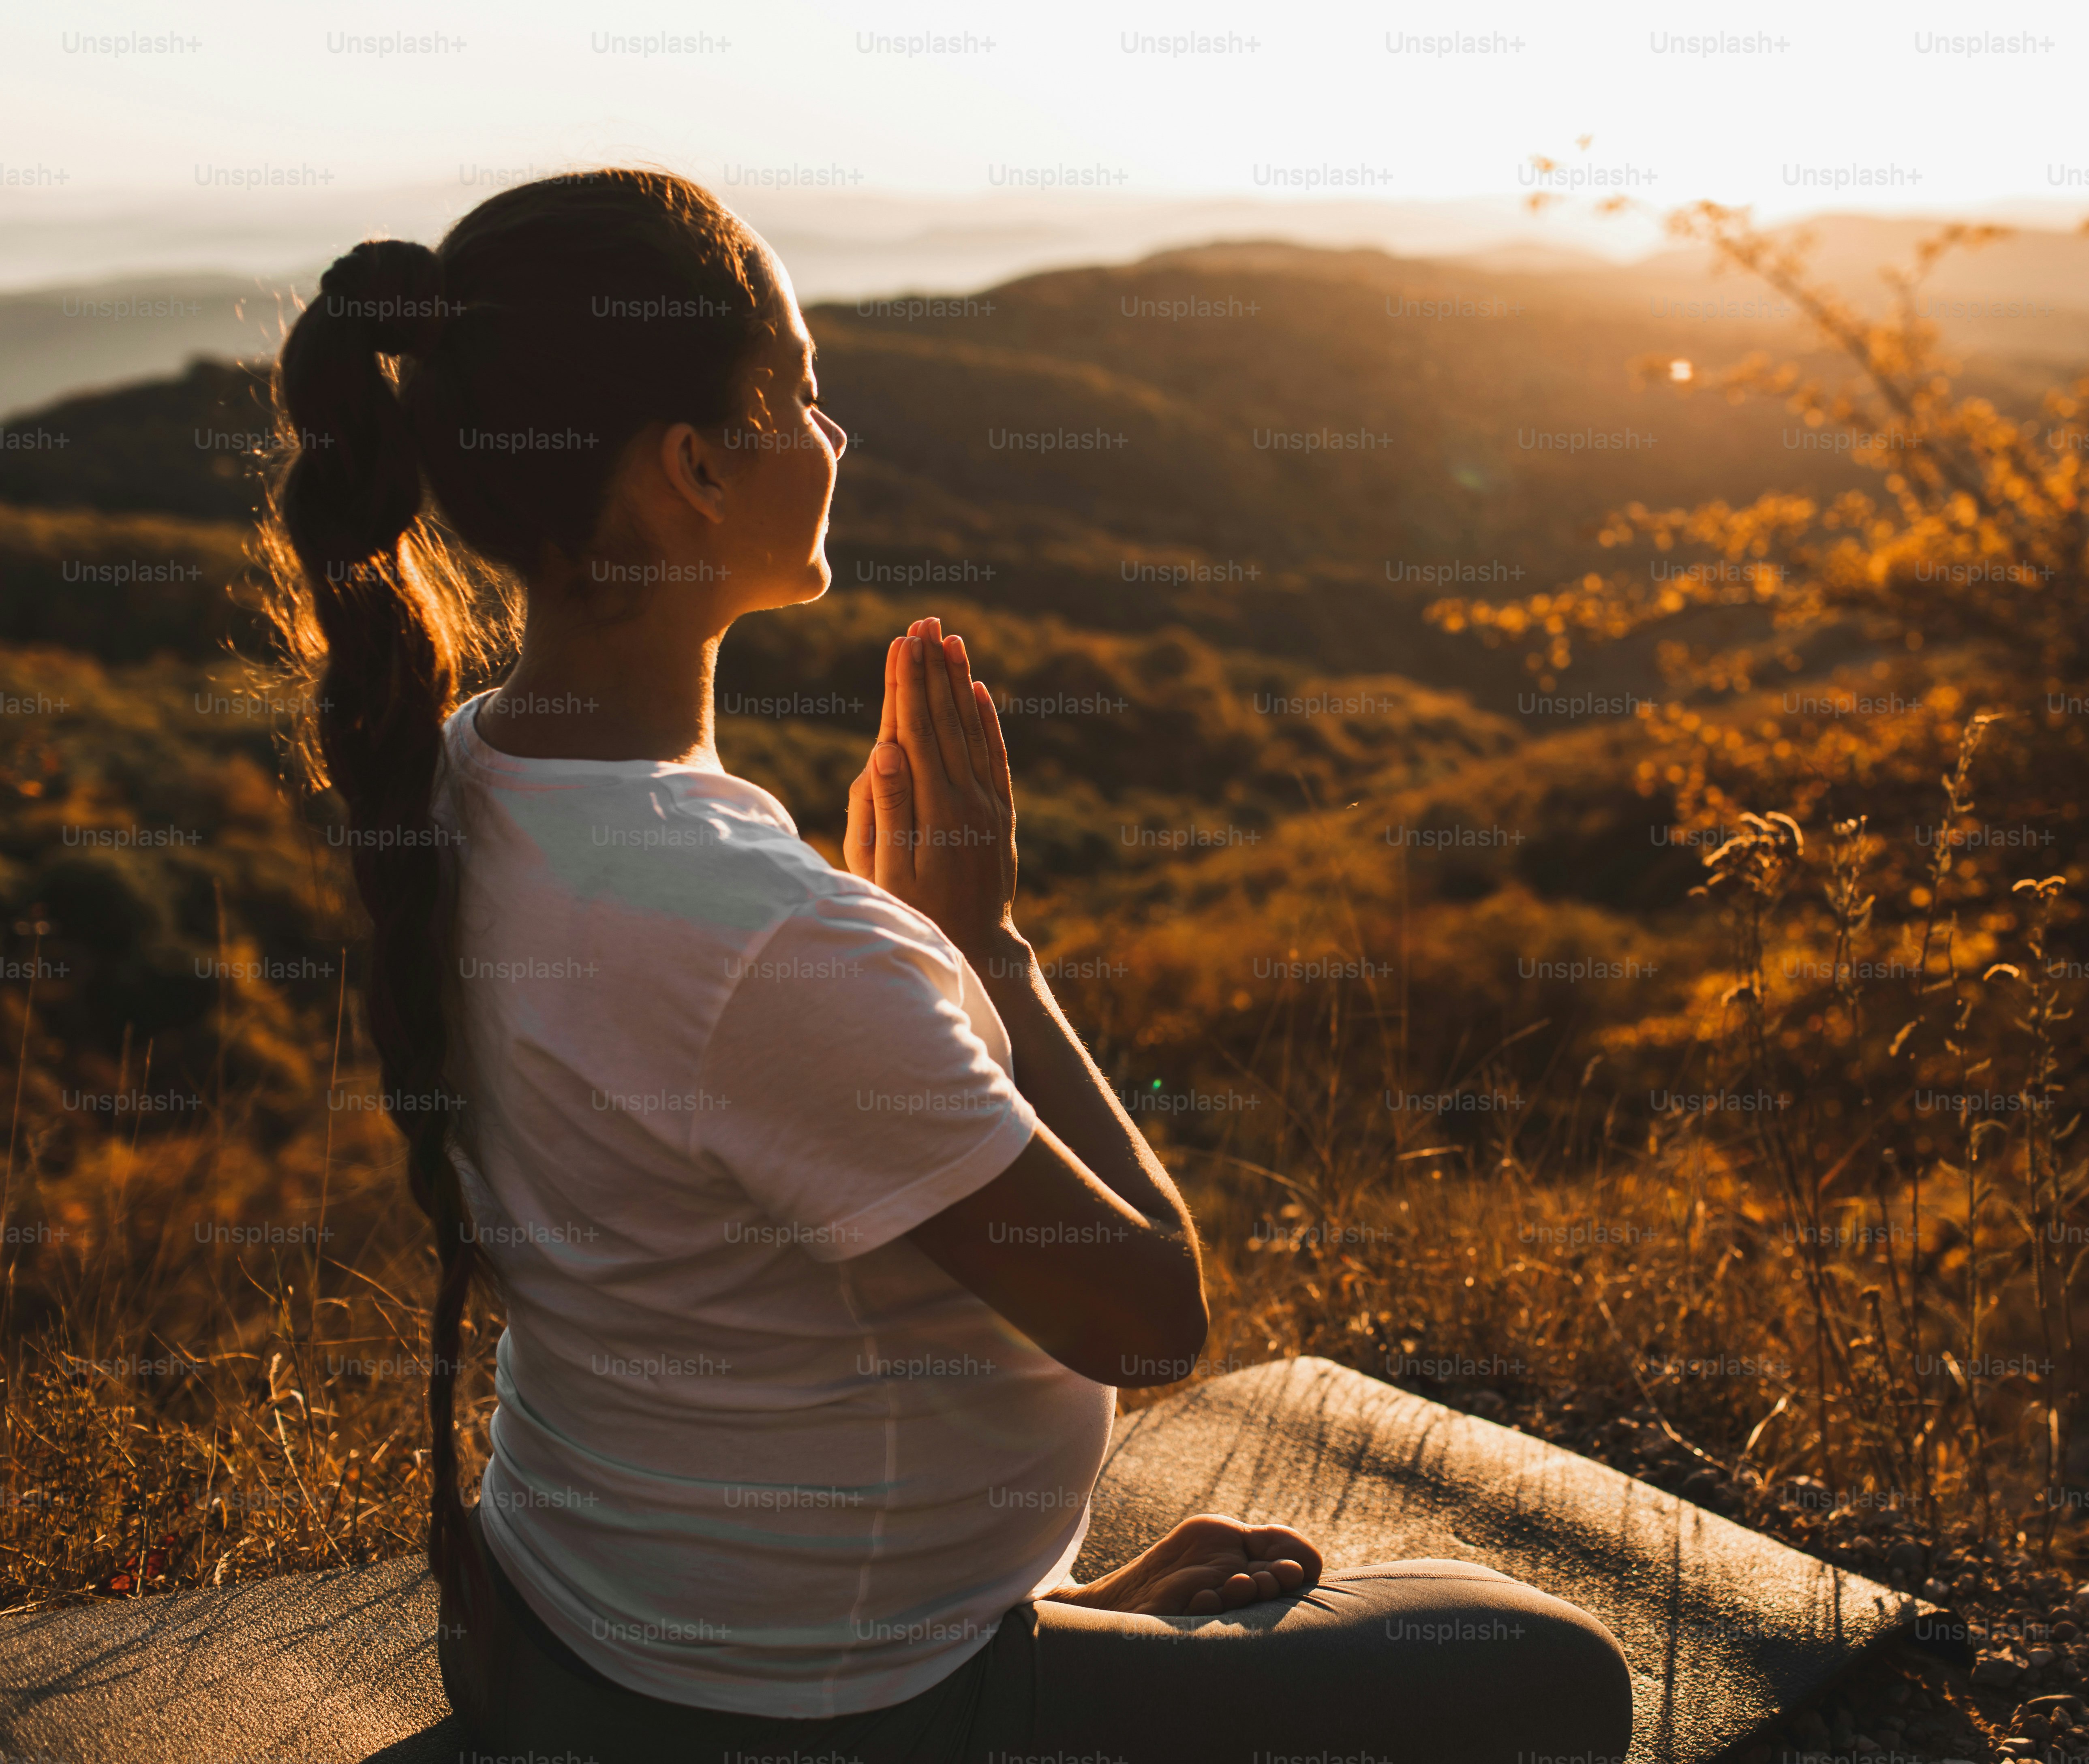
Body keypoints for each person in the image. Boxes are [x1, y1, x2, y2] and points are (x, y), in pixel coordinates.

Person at [261, 168, 1634, 1762]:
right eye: (804, 393)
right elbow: (1147, 1318)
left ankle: (1065, 1635)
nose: (834, 438)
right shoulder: (758, 934)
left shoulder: (458, 781)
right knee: (1545, 1669)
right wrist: (985, 948)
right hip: (824, 1707)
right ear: (694, 467)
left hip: (573, 1636)